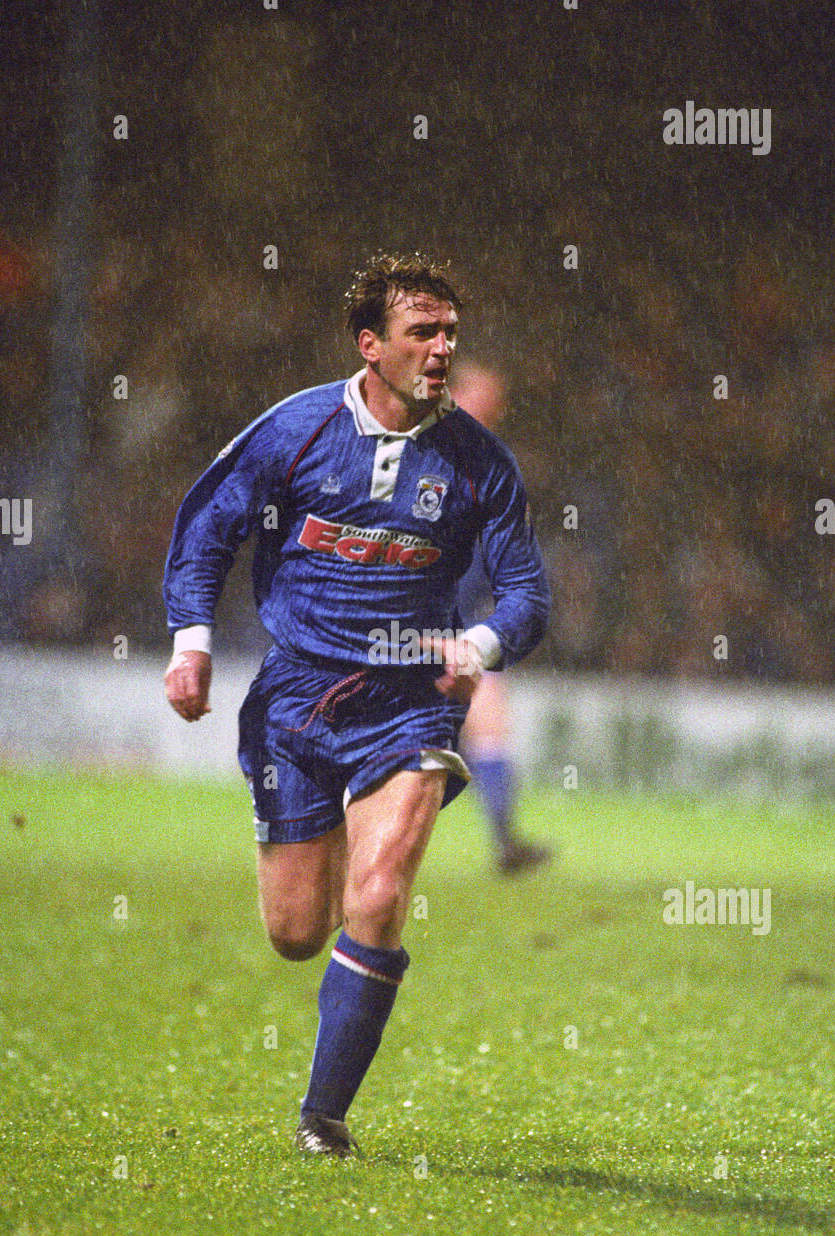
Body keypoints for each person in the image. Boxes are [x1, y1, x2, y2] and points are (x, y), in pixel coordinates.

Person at [162, 252, 550, 1156]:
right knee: (299, 933)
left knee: (378, 896)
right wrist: (191, 641)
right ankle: (335, 922)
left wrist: (480, 645)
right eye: (424, 332)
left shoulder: (480, 463)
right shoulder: (294, 431)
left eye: (451, 332)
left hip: (410, 702)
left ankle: (322, 1118)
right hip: (295, 699)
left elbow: (526, 594)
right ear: (371, 346)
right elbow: (206, 528)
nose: (443, 347)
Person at [449, 361, 553, 874]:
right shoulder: (422, 451)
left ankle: (505, 842)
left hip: (461, 621)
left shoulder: (493, 468)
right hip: (399, 615)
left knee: (489, 721)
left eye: (496, 404)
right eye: (481, 398)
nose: (491, 412)